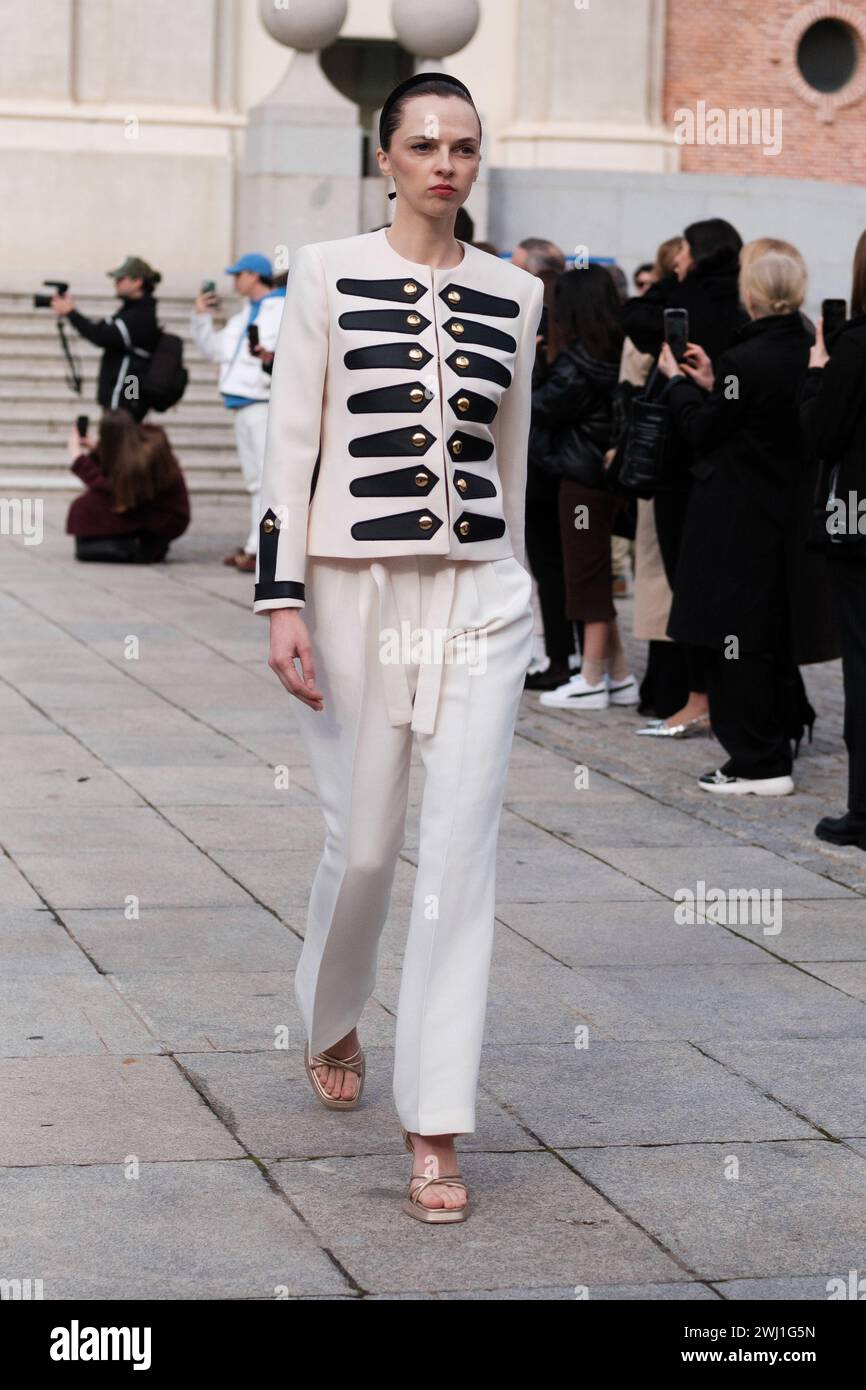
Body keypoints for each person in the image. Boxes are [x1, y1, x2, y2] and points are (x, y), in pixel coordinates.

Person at [254, 72, 542, 1224]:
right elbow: (288, 451)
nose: (442, 162)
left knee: (460, 858)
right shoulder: (321, 273)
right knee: (366, 846)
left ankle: (433, 1124)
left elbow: (511, 466)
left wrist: (521, 588)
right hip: (348, 590)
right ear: (384, 158)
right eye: (422, 143)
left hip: (478, 594)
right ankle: (329, 1009)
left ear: (476, 162)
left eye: (462, 146)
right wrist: (281, 601)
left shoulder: (515, 296)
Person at [656, 244, 837, 794]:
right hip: (788, 515)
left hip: (737, 519)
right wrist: (715, 384)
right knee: (767, 634)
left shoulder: (746, 357)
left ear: (751, 293)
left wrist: (681, 386)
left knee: (734, 638)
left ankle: (759, 760)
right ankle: (775, 738)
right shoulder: (807, 347)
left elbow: (706, 430)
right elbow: (755, 410)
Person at [624, 219, 748, 738]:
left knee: (688, 585)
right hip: (735, 467)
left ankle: (698, 698)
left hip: (681, 461)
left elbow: (634, 317)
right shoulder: (742, 306)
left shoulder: (685, 300)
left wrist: (676, 278)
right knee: (733, 592)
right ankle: (733, 697)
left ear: (692, 256)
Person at [529, 266, 639, 710]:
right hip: (601, 475)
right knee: (588, 573)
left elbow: (540, 406)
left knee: (586, 579)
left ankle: (591, 679)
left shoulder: (575, 363)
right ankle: (621, 675)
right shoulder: (612, 353)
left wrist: (534, 364)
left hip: (581, 478)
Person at [799, 228, 866, 848]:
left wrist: (818, 374)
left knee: (862, 664)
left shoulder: (855, 346)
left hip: (860, 528)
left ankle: (864, 810)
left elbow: (822, 435)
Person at [191, 253, 285, 572]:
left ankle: (262, 548)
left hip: (263, 399)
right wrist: (202, 318)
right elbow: (215, 351)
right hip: (242, 400)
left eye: (239, 275)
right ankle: (254, 545)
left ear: (253, 276)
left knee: (263, 478)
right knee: (254, 478)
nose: (234, 281)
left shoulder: (282, 308)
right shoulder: (244, 314)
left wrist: (268, 358)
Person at [515, 238, 581, 689]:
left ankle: (566, 659)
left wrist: (532, 360)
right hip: (549, 466)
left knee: (556, 567)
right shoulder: (552, 319)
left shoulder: (551, 324)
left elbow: (541, 403)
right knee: (555, 567)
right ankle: (566, 657)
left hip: (549, 469)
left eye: (520, 267)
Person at [65, 409, 190, 563]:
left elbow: (118, 490)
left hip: (163, 518)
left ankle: (137, 548)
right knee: (87, 506)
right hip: (155, 513)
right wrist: (96, 448)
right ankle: (136, 544)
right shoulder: (141, 446)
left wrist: (78, 459)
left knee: (86, 506)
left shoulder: (144, 457)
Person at [50, 256, 163, 422]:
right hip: (120, 398)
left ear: (137, 282)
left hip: (126, 397)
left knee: (124, 436)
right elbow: (99, 330)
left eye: (120, 278)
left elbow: (100, 337)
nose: (115, 283)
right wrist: (72, 311)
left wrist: (71, 313)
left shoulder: (140, 315)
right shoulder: (130, 311)